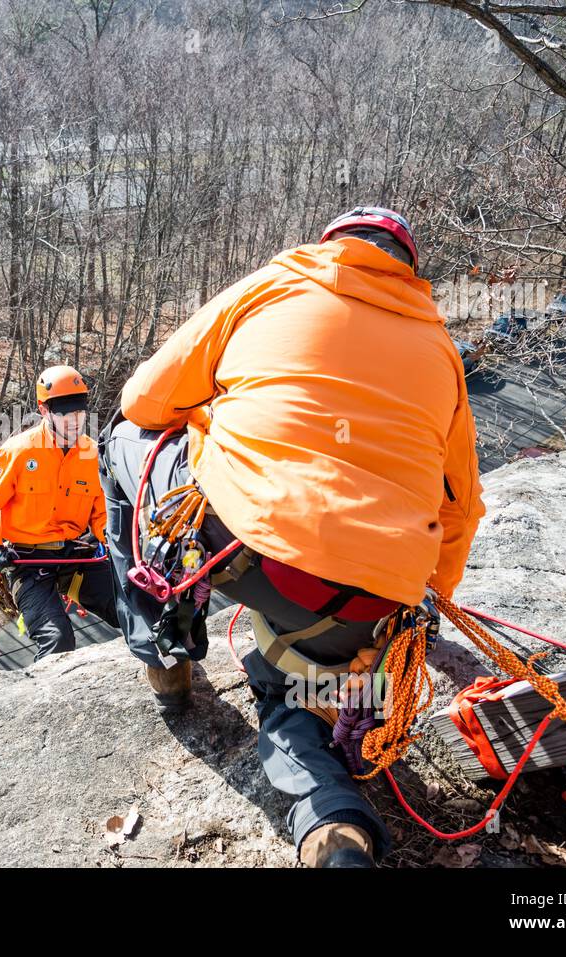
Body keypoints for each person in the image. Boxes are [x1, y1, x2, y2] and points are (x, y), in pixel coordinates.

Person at [98, 206, 486, 867]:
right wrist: (416, 606)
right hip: (366, 599)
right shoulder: (441, 351)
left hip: (240, 543)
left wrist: (219, 415)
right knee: (296, 693)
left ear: (330, 244)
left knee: (119, 438)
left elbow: (142, 402)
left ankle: (164, 652)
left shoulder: (278, 281)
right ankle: (337, 835)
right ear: (409, 271)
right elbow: (461, 510)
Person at [0, 364, 119, 661]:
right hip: (27, 562)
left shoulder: (91, 453)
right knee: (57, 640)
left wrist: (113, 538)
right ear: (45, 410)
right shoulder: (19, 451)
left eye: (80, 413)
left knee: (131, 611)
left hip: (76, 556)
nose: (75, 421)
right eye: (65, 414)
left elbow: (101, 512)